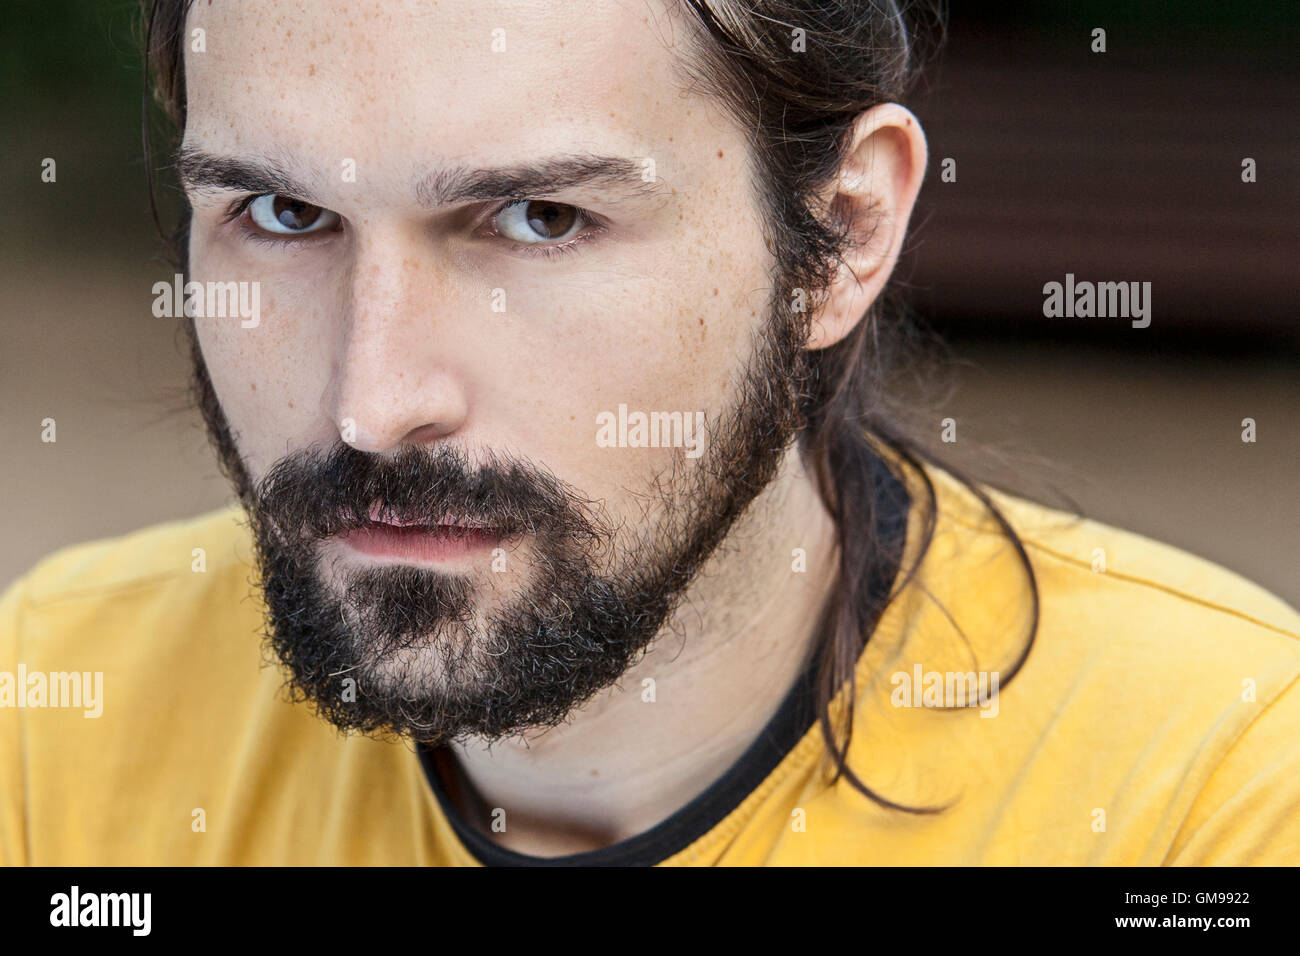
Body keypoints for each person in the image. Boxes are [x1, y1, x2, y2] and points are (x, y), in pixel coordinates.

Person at [2, 0, 1297, 866]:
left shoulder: (1217, 793)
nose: (373, 401)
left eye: (542, 221)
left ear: (839, 237)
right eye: (283, 215)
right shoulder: (56, 722)